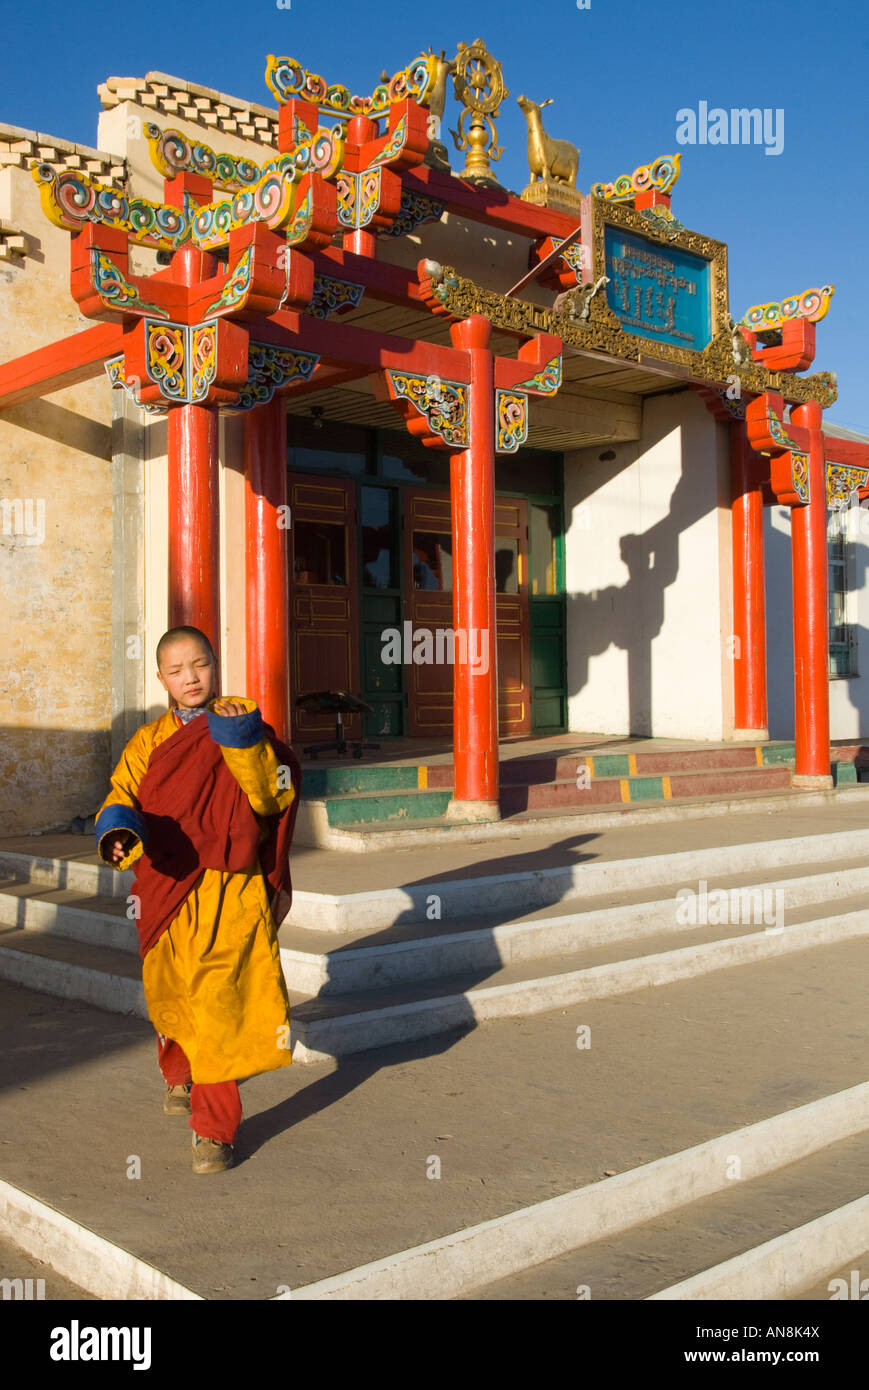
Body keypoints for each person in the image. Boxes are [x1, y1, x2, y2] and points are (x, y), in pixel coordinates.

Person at [94, 625, 301, 1174]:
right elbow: (122, 795)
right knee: (171, 992)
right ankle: (178, 1073)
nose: (191, 678)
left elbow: (272, 795)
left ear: (215, 665)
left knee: (219, 1005)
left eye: (200, 666)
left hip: (229, 889)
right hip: (166, 885)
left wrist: (243, 744)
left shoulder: (243, 725)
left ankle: (213, 1131)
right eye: (177, 670)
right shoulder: (148, 741)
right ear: (161, 678)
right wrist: (117, 830)